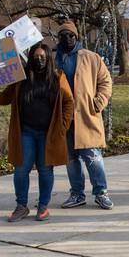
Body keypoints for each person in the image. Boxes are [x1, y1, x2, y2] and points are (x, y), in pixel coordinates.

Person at [0, 41, 74, 222]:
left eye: (42, 57)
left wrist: (63, 126)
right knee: (21, 170)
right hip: (26, 133)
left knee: (45, 171)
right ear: (30, 58)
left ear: (48, 59)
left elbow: (68, 102)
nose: (39, 60)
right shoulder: (20, 79)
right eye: (35, 57)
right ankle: (21, 206)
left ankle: (43, 206)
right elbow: (3, 98)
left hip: (48, 134)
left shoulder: (57, 77)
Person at [53, 21, 114, 209]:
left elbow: (105, 81)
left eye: (71, 35)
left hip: (86, 114)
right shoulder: (53, 59)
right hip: (64, 117)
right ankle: (77, 194)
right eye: (63, 35)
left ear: (77, 37)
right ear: (59, 38)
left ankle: (101, 192)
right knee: (71, 159)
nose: (68, 39)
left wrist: (98, 103)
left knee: (93, 156)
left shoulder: (91, 57)